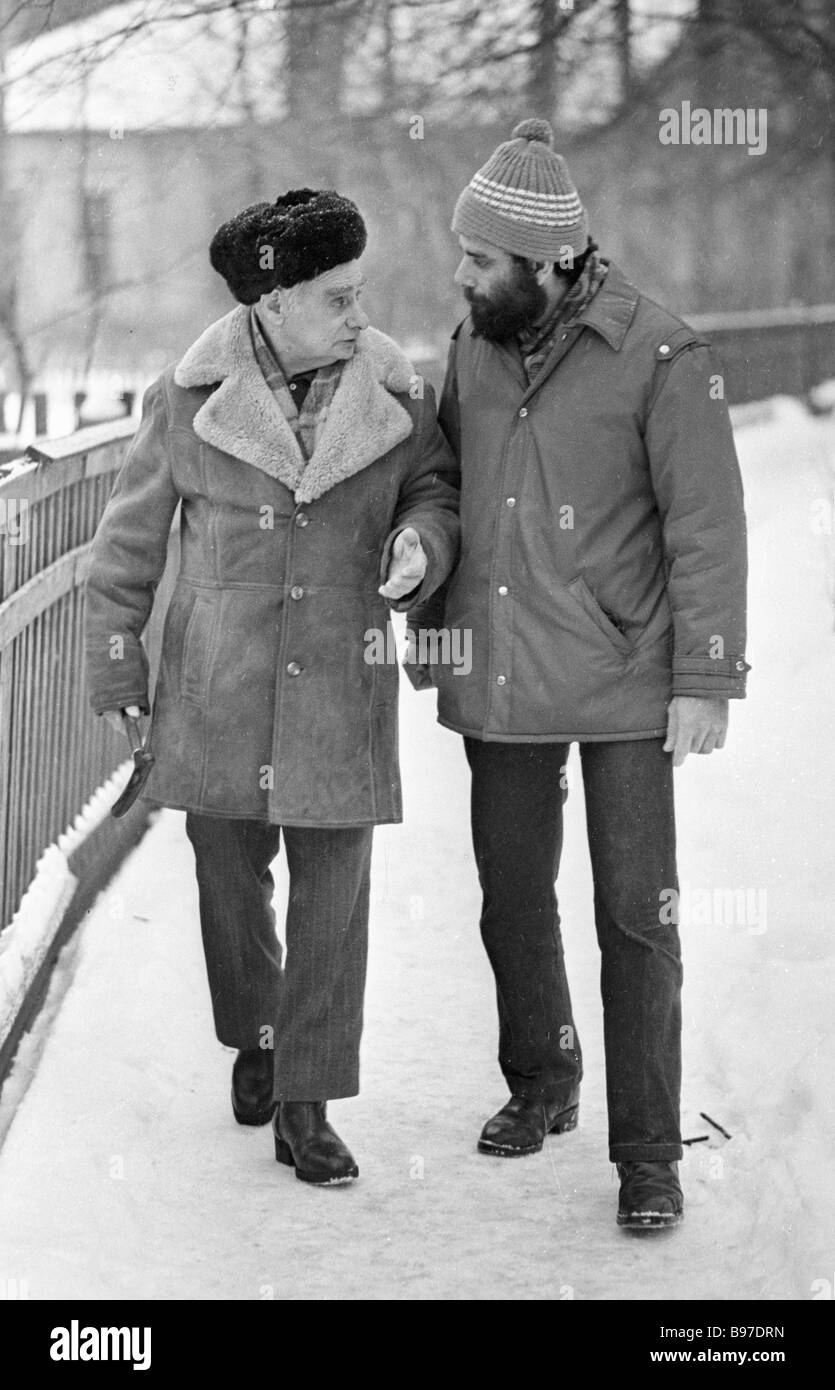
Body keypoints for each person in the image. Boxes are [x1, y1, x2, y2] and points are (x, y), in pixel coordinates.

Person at [407, 120, 749, 1229]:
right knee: (511, 898)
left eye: (480, 259)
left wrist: (704, 677)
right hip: (503, 667)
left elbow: (707, 527)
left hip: (623, 676)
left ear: (550, 262)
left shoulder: (661, 354)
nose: (460, 275)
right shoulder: (470, 346)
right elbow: (445, 482)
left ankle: (648, 1154)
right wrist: (425, 550)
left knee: (635, 918)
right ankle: (542, 1080)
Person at [85, 188, 459, 1187]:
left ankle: (309, 1096)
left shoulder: (393, 393)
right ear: (275, 301)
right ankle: (256, 1030)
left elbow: (432, 486)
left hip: (342, 673)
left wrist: (421, 540)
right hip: (220, 684)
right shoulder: (187, 397)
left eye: (361, 291)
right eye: (338, 295)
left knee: (334, 889)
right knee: (228, 869)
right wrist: (118, 656)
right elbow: (126, 542)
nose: (358, 313)